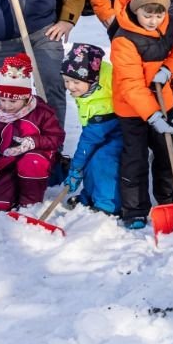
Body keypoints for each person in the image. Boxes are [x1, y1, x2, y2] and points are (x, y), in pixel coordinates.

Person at [108, 0, 173, 230]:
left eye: (159, 15)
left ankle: (170, 200)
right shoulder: (124, 38)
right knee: (135, 158)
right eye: (147, 15)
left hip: (164, 102)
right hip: (132, 109)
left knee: (167, 155)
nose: (153, 21)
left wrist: (170, 68)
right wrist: (152, 115)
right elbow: (130, 85)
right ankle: (135, 209)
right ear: (136, 10)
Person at [0, 54, 64, 211]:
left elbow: (56, 138)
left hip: (37, 161)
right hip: (8, 164)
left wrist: (33, 142)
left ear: (25, 98)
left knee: (30, 162)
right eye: (2, 99)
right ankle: (10, 193)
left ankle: (30, 204)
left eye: (12, 101)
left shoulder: (41, 112)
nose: (6, 105)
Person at [62, 43, 120, 216]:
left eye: (75, 82)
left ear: (91, 79)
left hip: (117, 138)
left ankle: (106, 205)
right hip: (101, 136)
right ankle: (88, 196)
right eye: (66, 81)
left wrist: (75, 169)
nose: (71, 86)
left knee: (102, 163)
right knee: (91, 161)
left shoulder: (100, 104)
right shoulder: (88, 91)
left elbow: (87, 142)